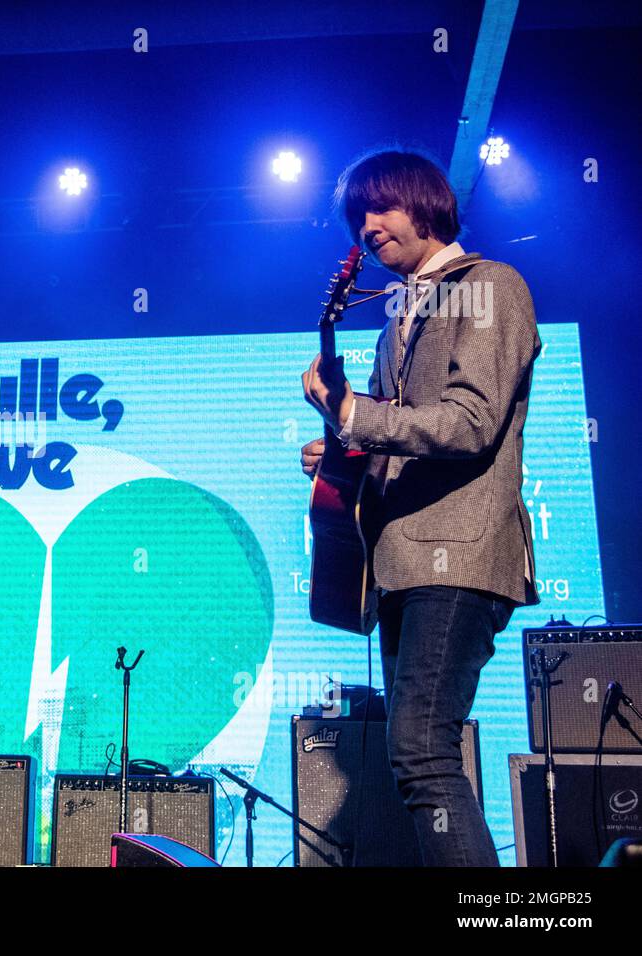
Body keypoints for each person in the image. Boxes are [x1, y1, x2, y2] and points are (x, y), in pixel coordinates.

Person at [301, 149, 540, 866]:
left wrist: (354, 415)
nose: (367, 227)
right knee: (419, 757)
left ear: (425, 202)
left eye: (381, 208)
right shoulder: (396, 319)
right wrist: (345, 449)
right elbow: (397, 436)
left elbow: (469, 423)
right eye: (357, 218)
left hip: (460, 551)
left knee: (421, 750)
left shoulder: (492, 286)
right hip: (403, 563)